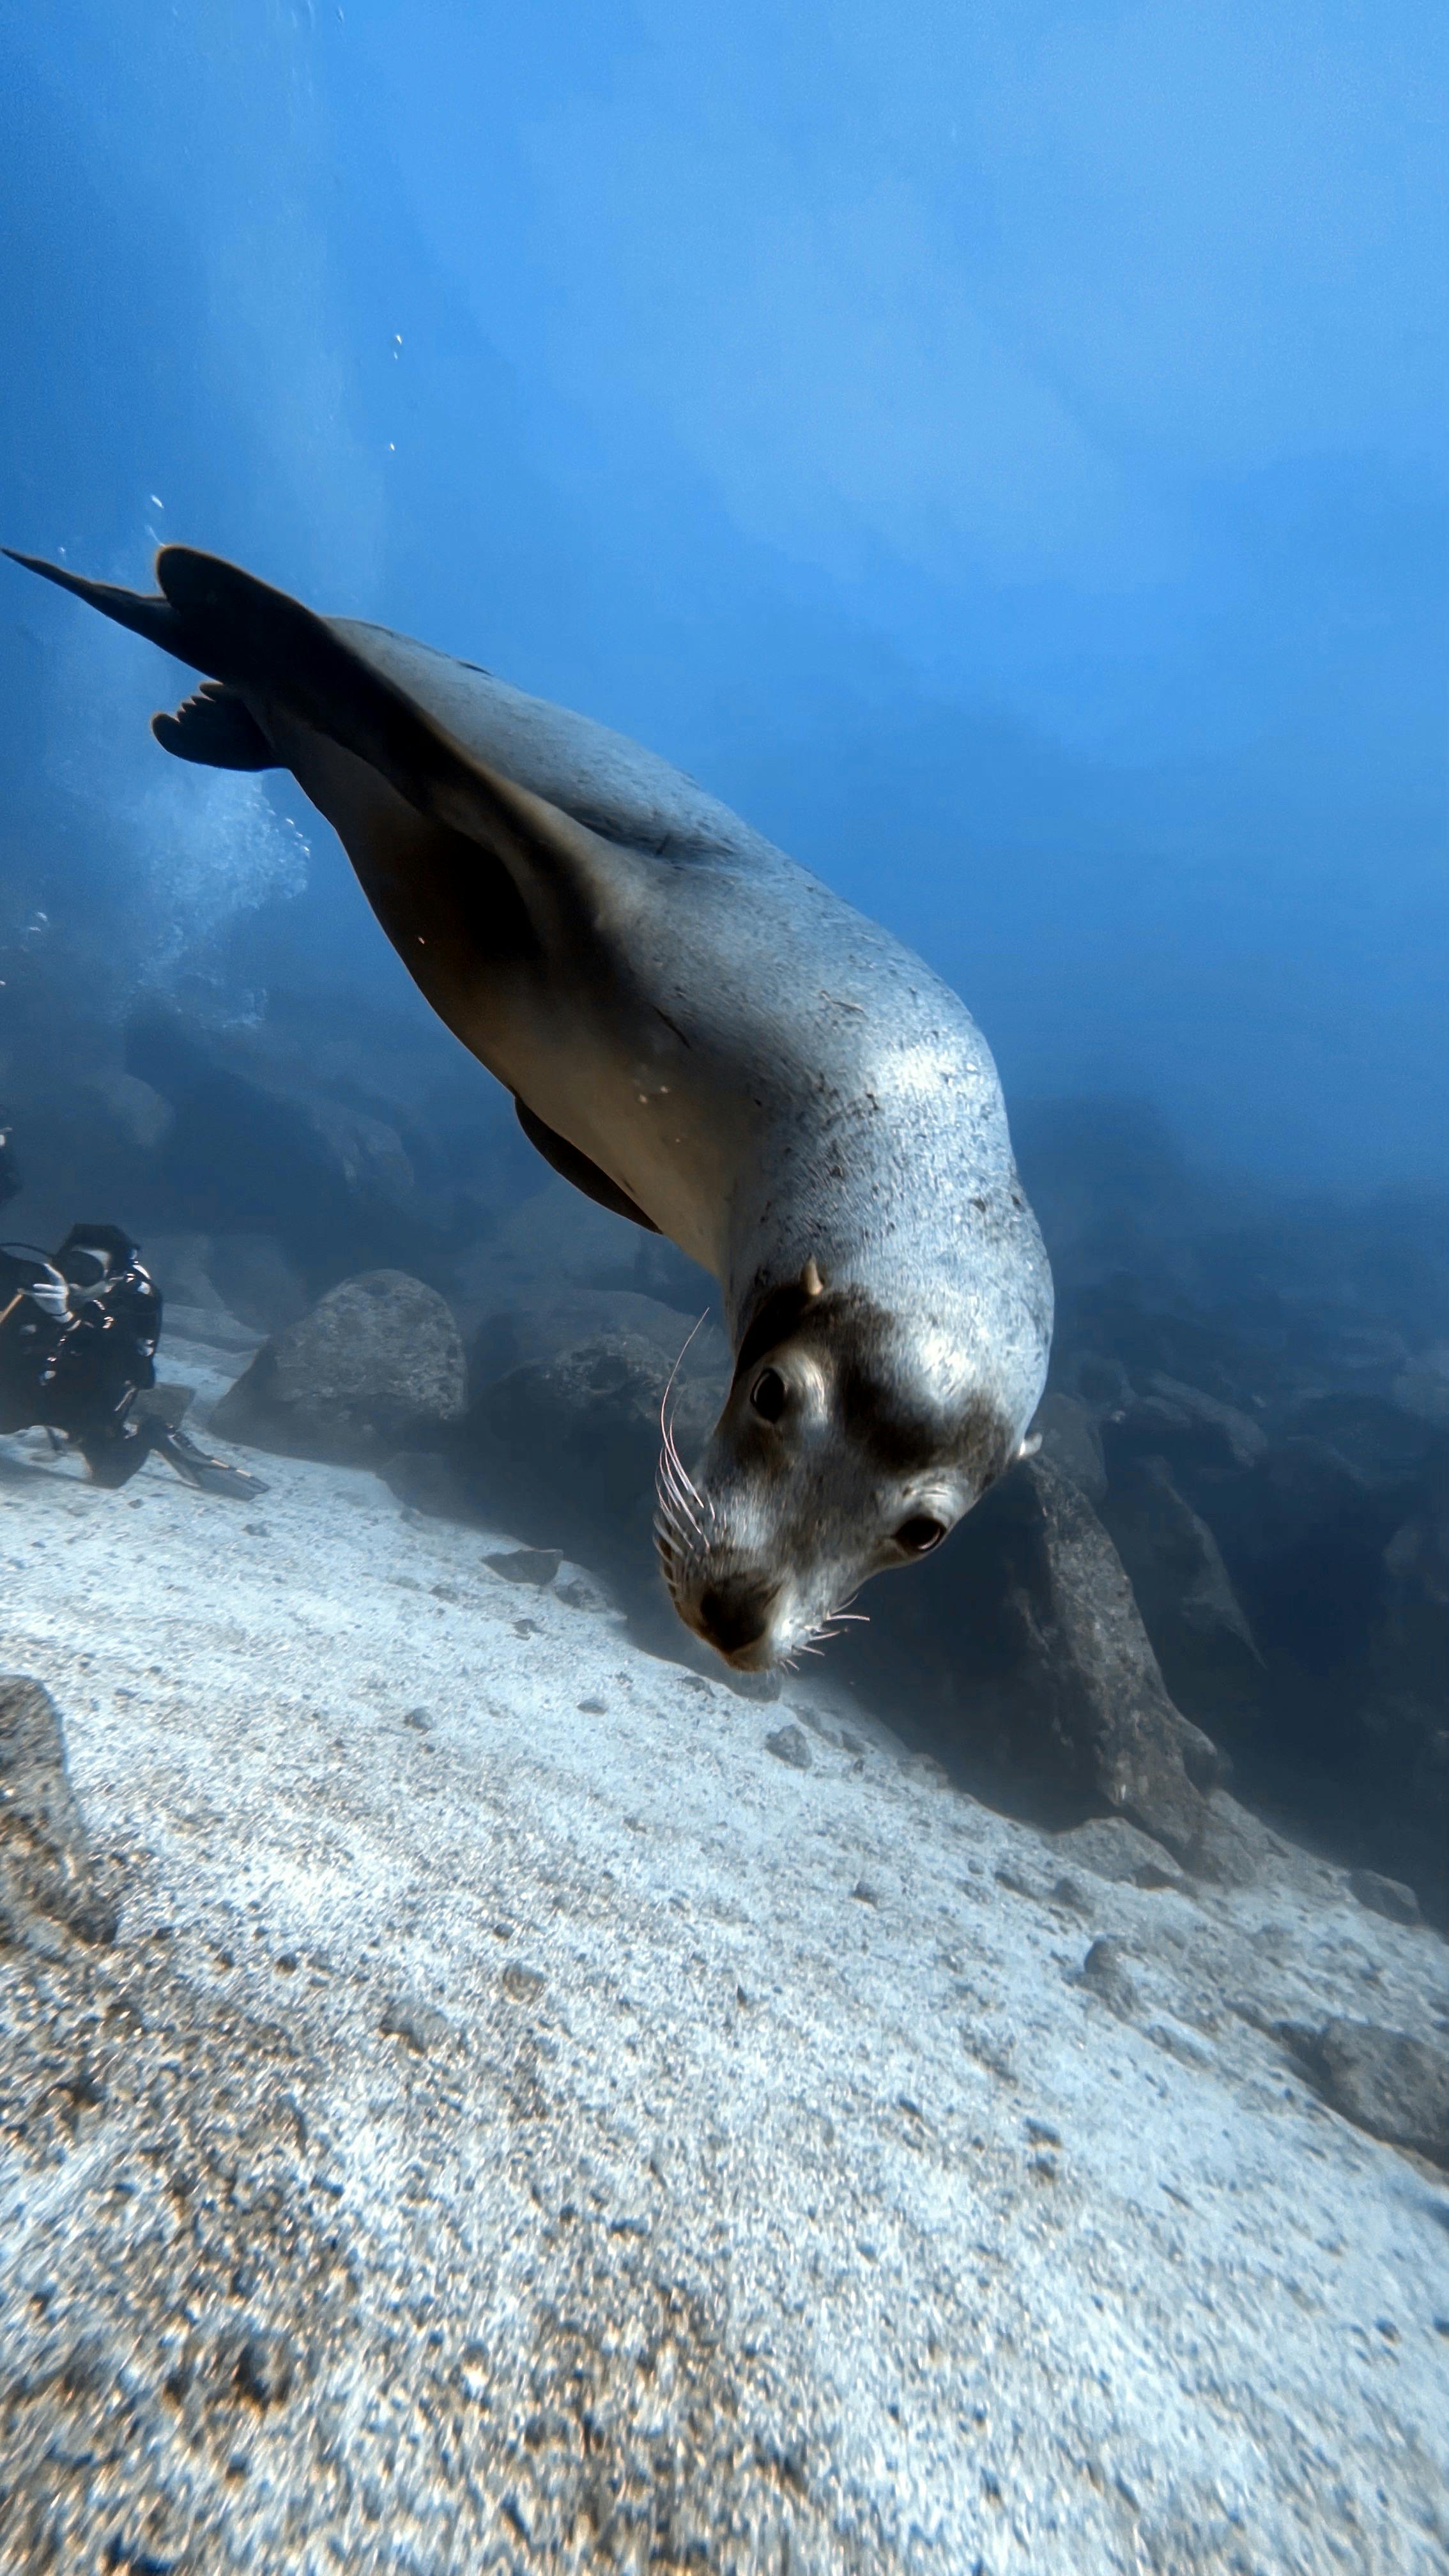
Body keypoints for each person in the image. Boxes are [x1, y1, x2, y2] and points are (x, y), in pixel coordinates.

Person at [0, 1220, 265, 1496]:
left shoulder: (136, 1304)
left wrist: (65, 1318)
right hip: (33, 1375)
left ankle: (154, 1433)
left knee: (111, 1475)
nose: (73, 1282)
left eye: (87, 1272)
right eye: (70, 1266)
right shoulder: (45, 1279)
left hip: (88, 1396)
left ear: (112, 1279)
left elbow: (138, 1374)